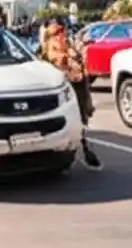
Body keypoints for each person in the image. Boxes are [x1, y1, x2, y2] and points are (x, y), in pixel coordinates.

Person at [39, 20, 102, 171]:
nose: (62, 36)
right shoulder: (49, 51)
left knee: (80, 123)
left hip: (77, 87)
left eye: (63, 33)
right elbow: (58, 65)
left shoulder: (69, 46)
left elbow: (80, 69)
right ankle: (69, 154)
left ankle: (84, 152)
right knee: (68, 125)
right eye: (58, 34)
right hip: (64, 91)